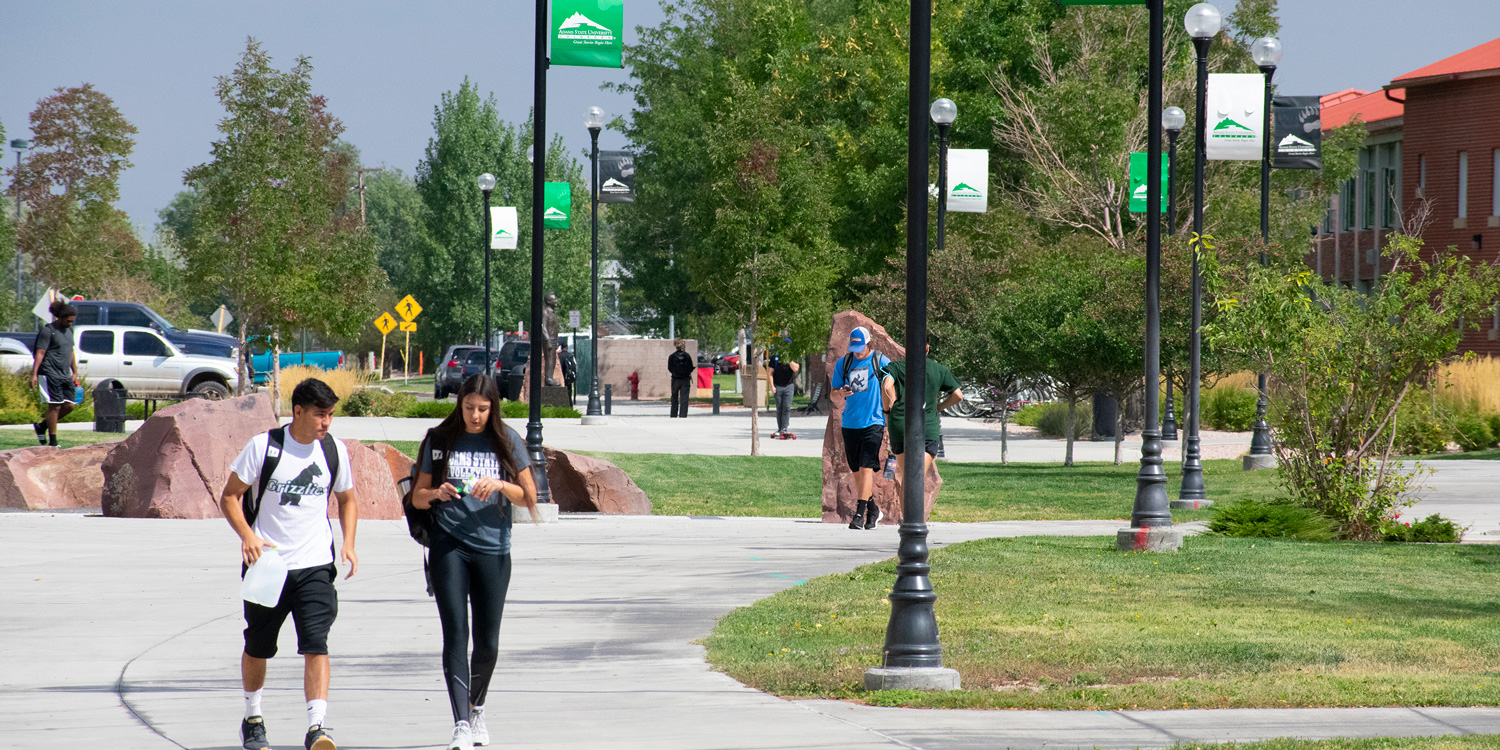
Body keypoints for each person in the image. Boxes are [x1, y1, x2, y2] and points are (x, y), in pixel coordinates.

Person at [220, 378, 360, 750]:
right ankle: (253, 718)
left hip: (316, 565)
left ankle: (318, 727)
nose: (326, 423)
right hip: (268, 566)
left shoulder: (333, 451)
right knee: (259, 645)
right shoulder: (263, 447)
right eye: (319, 414)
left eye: (330, 415)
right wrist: (248, 537)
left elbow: (347, 499)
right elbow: (230, 497)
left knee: (317, 644)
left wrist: (349, 544)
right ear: (297, 411)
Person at [410, 374, 539, 750]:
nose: (476, 416)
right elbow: (417, 497)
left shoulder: (507, 440)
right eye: (469, 408)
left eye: (483, 409)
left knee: (488, 643)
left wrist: (500, 485)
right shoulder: (439, 439)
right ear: (460, 403)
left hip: (493, 548)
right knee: (456, 635)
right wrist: (437, 493)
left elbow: (529, 496)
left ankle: (476, 706)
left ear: (493, 407)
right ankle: (461, 724)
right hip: (449, 547)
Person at [829, 326, 894, 530]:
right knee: (856, 470)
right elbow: (832, 394)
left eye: (860, 347)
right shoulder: (844, 363)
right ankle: (873, 509)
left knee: (867, 468)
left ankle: (859, 514)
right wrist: (840, 394)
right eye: (853, 347)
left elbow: (893, 384)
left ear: (869, 343)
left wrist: (891, 403)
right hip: (850, 423)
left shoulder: (880, 361)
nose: (857, 351)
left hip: (874, 422)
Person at [887, 338, 963, 504]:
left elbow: (886, 386)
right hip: (927, 427)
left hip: (900, 425)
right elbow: (958, 395)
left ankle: (906, 521)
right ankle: (913, 523)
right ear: (927, 347)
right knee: (915, 476)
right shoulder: (938, 369)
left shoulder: (896, 367)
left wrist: (890, 405)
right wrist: (940, 406)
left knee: (908, 476)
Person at [30, 300, 79, 447]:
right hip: (50, 372)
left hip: (65, 374)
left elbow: (71, 351)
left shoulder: (70, 331)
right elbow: (40, 352)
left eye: (72, 321)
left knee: (70, 405)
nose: (70, 323)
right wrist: (34, 374)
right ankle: (53, 441)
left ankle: (42, 426)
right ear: (60, 317)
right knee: (55, 405)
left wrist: (75, 371)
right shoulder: (48, 330)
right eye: (68, 321)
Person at [771, 354, 800, 438]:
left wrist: (789, 359)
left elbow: (796, 369)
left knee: (786, 408)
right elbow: (770, 373)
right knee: (779, 408)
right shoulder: (775, 357)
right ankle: (780, 429)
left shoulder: (792, 356)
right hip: (777, 385)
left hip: (789, 386)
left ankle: (784, 429)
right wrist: (772, 386)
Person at [667, 338, 694, 418]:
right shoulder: (687, 356)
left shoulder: (672, 356)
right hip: (685, 379)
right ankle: (683, 415)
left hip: (675, 379)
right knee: (684, 398)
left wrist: (675, 373)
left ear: (675, 345)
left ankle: (673, 414)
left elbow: (669, 368)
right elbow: (690, 367)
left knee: (674, 397)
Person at [558, 339, 578, 404]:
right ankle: (569, 403)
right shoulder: (570, 355)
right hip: (568, 376)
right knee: (569, 391)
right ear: (567, 347)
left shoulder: (559, 356)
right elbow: (574, 366)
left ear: (561, 348)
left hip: (561, 375)